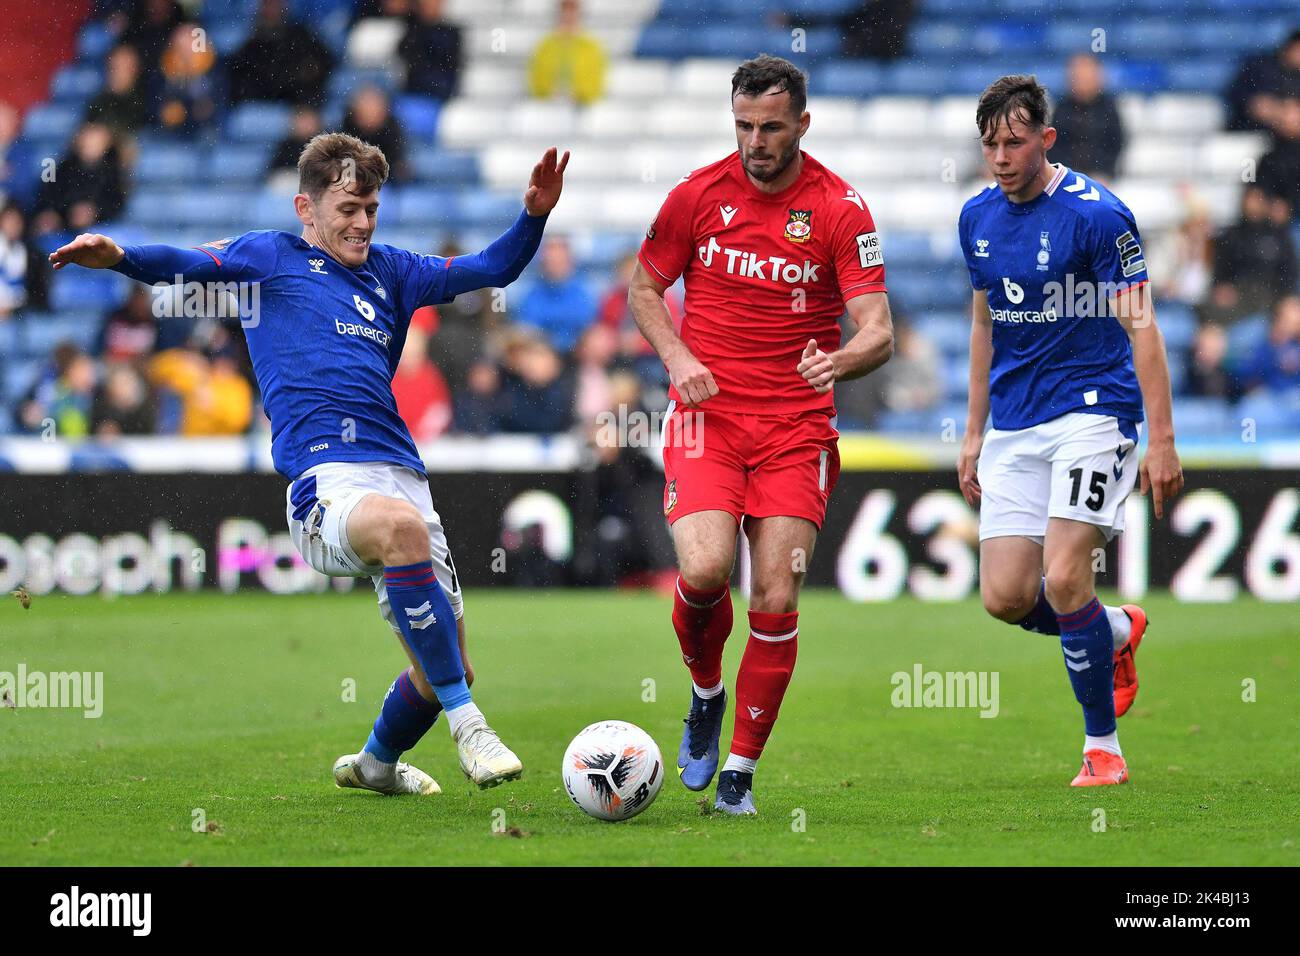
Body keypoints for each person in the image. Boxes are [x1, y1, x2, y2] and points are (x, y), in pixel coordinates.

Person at [50, 133, 570, 795]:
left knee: (447, 671)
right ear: (307, 208)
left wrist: (534, 215)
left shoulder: (394, 272)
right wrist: (121, 256)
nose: (361, 222)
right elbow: (185, 265)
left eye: (371, 208)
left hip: (401, 475)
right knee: (405, 539)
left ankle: (376, 766)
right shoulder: (269, 258)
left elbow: (492, 268)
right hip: (327, 485)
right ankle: (472, 731)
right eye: (348, 208)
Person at [629, 55, 894, 814]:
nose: (755, 142)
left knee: (775, 594)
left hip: (795, 429)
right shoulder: (696, 196)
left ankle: (739, 777)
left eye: (771, 127)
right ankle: (706, 692)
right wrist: (677, 356)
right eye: (743, 126)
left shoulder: (842, 209)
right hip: (709, 421)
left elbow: (879, 329)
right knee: (708, 571)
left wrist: (838, 360)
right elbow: (645, 286)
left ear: (802, 124)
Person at [956, 75, 1184, 787]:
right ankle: (1112, 630)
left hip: (1093, 412)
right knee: (1005, 596)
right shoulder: (975, 218)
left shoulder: (1098, 217)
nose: (1000, 156)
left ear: (1046, 139)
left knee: (1062, 577)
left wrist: (1162, 438)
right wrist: (972, 432)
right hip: (1015, 423)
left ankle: (1103, 748)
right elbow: (984, 323)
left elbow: (1142, 326)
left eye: (1014, 141)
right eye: (990, 143)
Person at [1047, 53, 1125, 181]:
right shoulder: (1062, 108)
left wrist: (1104, 173)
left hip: (1103, 179)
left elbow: (1115, 145)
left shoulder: (1108, 109)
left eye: (1087, 77)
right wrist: (1067, 174)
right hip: (1066, 178)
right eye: (1078, 77)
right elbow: (1055, 147)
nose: (1083, 82)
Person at [527, 0, 607, 106]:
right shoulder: (545, 46)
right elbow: (535, 79)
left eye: (572, 15)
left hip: (582, 105)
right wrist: (548, 92)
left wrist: (580, 94)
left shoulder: (591, 47)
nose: (568, 19)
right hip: (548, 104)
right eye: (564, 16)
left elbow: (597, 82)